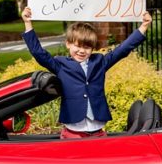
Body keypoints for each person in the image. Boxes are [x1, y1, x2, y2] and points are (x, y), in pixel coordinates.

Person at [21, 7, 153, 138]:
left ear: (92, 48)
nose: (81, 51)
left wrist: (144, 26)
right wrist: (28, 23)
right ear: (68, 44)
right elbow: (39, 53)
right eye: (77, 46)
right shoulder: (60, 65)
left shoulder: (100, 62)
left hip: (98, 131)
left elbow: (122, 50)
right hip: (73, 131)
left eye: (87, 47)